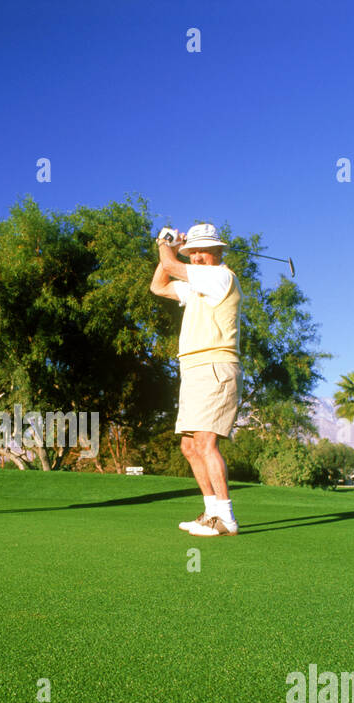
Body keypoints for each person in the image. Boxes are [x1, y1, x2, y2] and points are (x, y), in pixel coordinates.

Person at [149, 222, 242, 536]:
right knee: (190, 446)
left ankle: (227, 518)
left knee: (205, 442)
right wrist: (173, 249)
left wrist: (165, 243)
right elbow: (159, 286)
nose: (197, 256)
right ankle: (211, 512)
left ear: (218, 252)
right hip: (193, 369)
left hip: (215, 365)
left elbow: (171, 266)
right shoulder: (199, 284)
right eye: (193, 251)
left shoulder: (220, 277)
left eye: (203, 251)